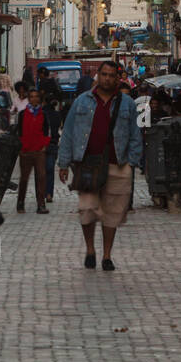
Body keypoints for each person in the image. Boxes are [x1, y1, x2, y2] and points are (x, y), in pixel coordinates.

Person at [57, 59, 143, 271]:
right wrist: (64, 162)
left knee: (112, 213)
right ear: (98, 76)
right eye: (103, 74)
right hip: (87, 164)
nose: (107, 78)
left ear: (118, 78)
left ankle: (106, 255)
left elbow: (135, 135)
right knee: (87, 209)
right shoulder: (82, 101)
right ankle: (89, 249)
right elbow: (68, 131)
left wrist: (131, 163)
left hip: (117, 164)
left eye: (111, 75)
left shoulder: (127, 104)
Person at [16, 87, 50, 214]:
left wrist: (44, 145)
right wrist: (21, 147)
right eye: (32, 96)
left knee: (41, 176)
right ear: (28, 99)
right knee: (24, 178)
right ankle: (20, 202)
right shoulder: (22, 114)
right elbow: (19, 132)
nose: (34, 99)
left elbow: (46, 131)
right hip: (26, 151)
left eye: (36, 96)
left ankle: (41, 204)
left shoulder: (43, 114)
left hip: (39, 151)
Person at [42, 93, 63, 202]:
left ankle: (41, 193)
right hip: (53, 143)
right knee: (50, 170)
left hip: (41, 145)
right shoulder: (57, 115)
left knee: (41, 171)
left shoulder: (41, 114)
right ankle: (49, 193)